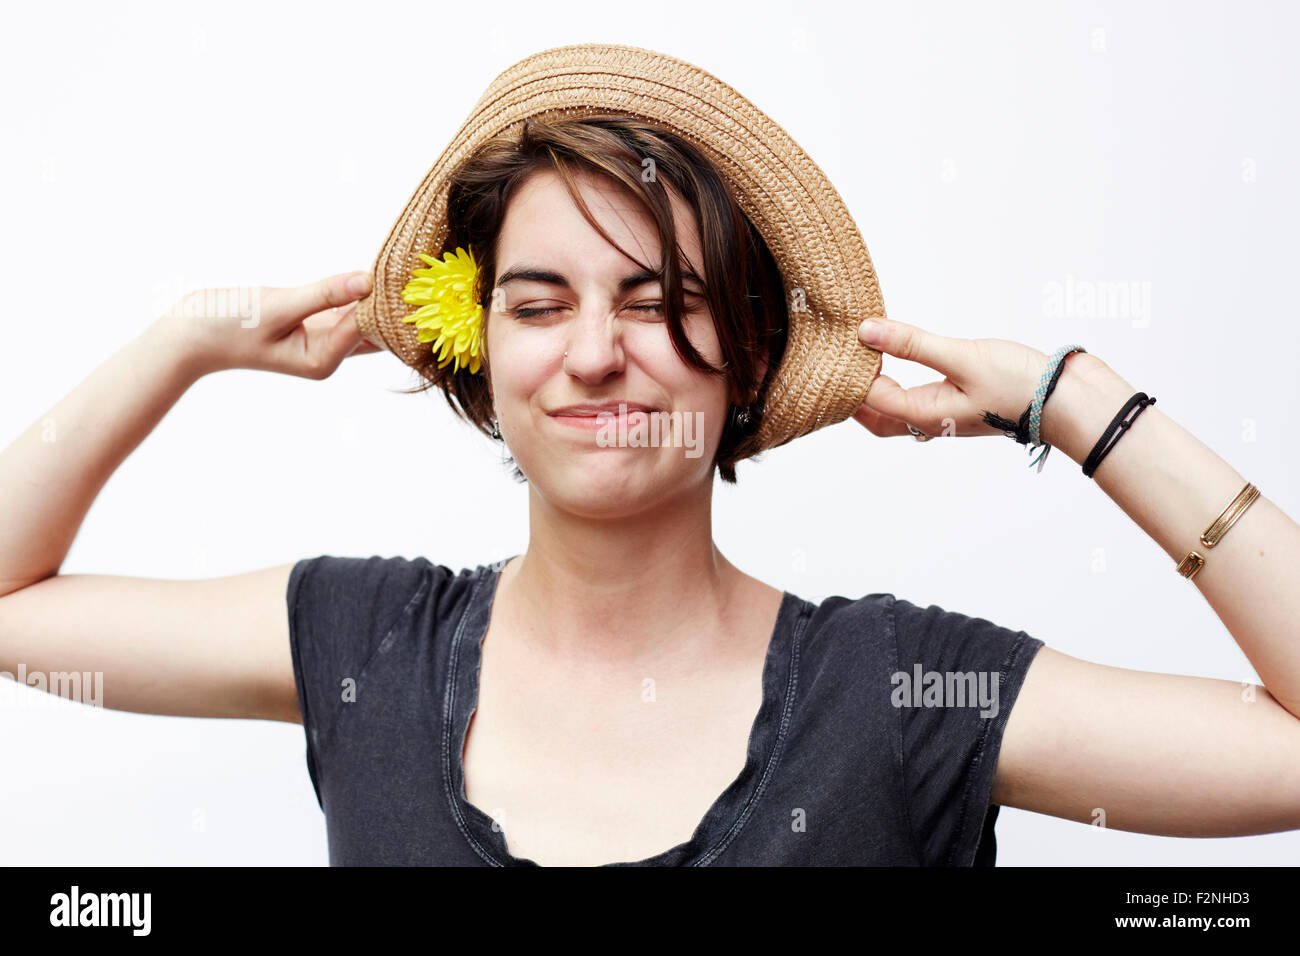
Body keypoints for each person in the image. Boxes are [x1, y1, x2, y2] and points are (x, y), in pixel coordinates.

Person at [3, 110, 1299, 868]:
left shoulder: (897, 693)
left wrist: (1071, 400)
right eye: (537, 300)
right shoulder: (365, 648)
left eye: (662, 299)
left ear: (747, 356)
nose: (595, 350)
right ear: (482, 351)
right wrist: (183, 340)